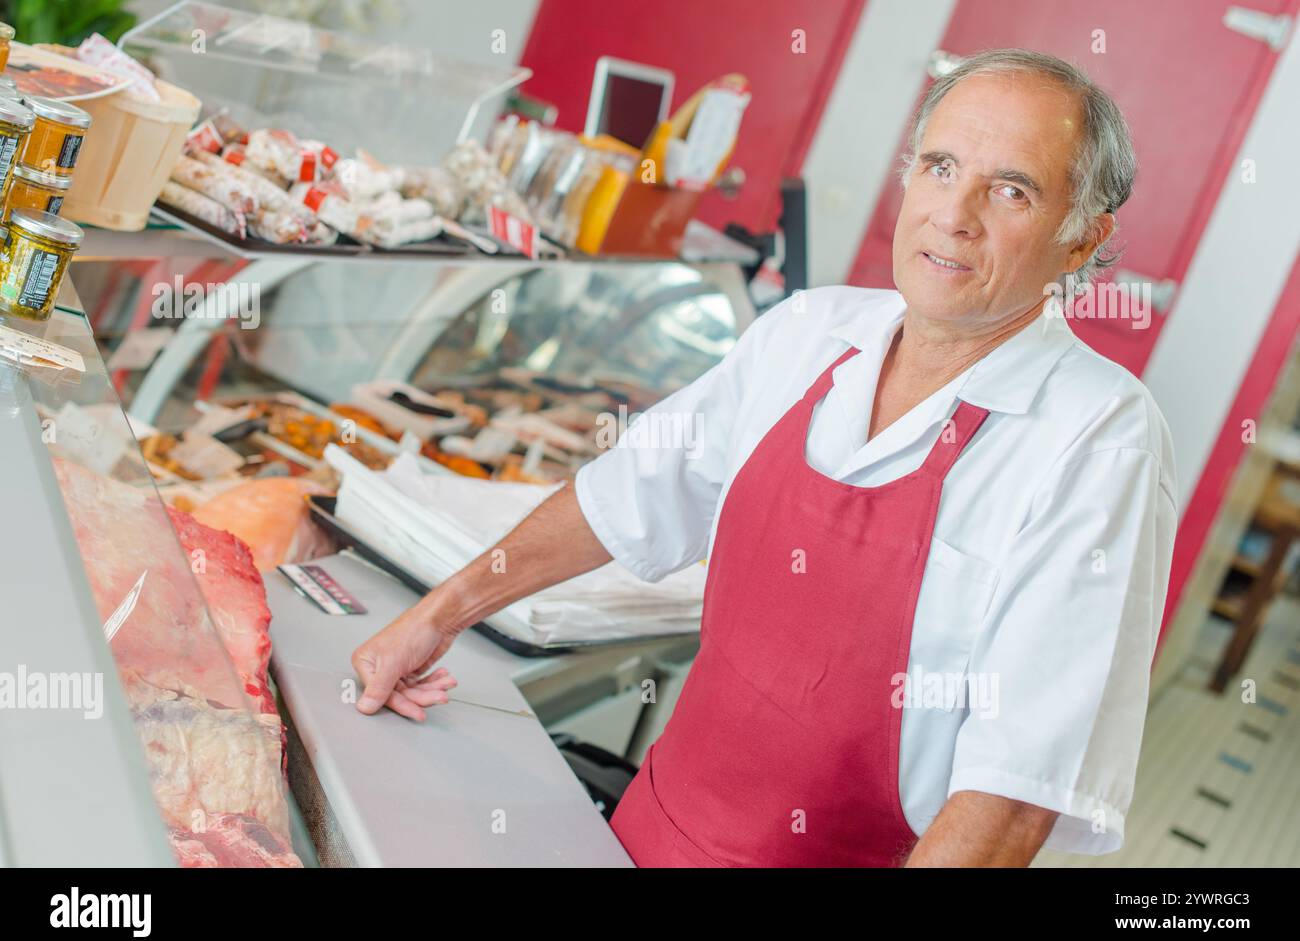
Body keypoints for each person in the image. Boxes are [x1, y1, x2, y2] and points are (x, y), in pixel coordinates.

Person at [350, 48, 1177, 867]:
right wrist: (439, 613)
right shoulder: (809, 331)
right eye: (939, 166)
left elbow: (1010, 800)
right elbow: (622, 494)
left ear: (1081, 243)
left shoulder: (1098, 439)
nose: (953, 214)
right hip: (649, 830)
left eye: (1010, 191)